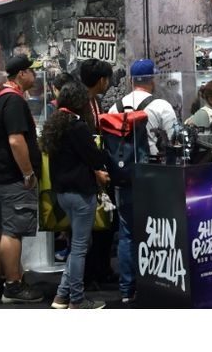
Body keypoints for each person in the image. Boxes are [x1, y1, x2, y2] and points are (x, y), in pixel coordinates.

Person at [39, 81, 110, 310]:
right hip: (80, 193)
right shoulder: (77, 126)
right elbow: (94, 157)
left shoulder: (54, 123)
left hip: (62, 193)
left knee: (77, 245)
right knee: (80, 247)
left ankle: (61, 296)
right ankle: (77, 300)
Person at [114, 58, 178, 304]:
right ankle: (155, 283)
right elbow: (174, 138)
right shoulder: (161, 105)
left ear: (131, 80)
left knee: (127, 232)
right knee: (158, 230)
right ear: (152, 79)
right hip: (153, 173)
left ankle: (126, 290)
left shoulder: (115, 107)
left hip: (124, 174)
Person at [0, 55, 44, 304]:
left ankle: (1, 281)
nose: (35, 76)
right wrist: (28, 173)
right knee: (13, 232)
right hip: (13, 178)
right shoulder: (14, 101)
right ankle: (13, 286)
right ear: (21, 74)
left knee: (1, 229)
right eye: (33, 71)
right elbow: (15, 140)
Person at [77, 58, 117, 287]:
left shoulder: (93, 101)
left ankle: (101, 270)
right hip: (88, 174)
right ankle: (90, 274)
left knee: (103, 228)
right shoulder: (83, 103)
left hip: (96, 170)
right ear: (102, 80)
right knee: (90, 232)